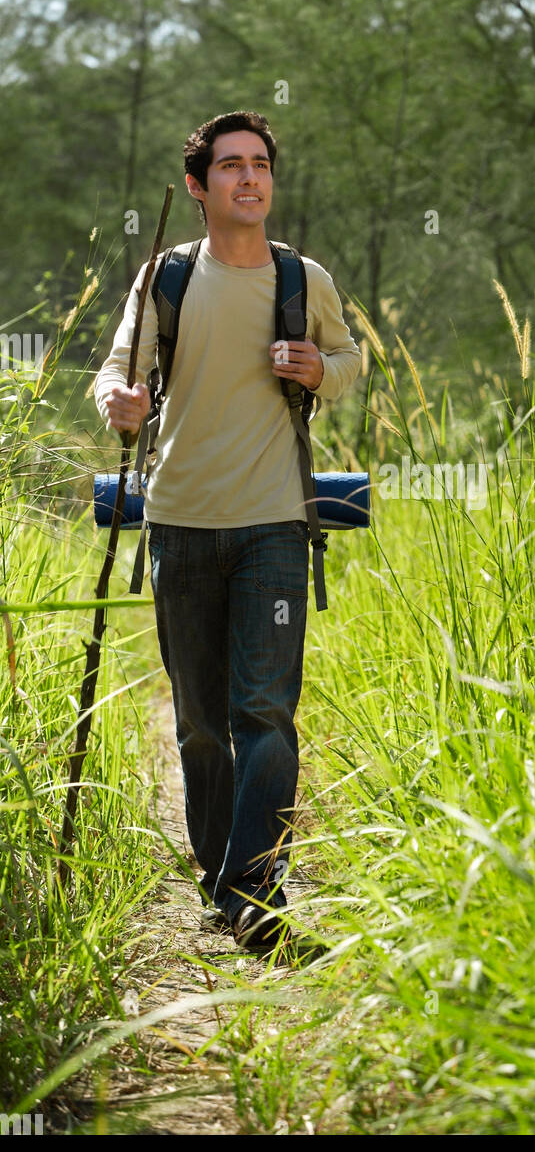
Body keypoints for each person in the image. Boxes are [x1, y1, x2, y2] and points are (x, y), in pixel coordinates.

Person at [94, 110, 362, 951]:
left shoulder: (301, 277)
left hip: (275, 525)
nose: (250, 179)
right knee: (202, 722)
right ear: (198, 186)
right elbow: (115, 372)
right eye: (232, 166)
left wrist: (324, 369)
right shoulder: (165, 279)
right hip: (180, 523)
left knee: (265, 712)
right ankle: (221, 882)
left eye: (261, 165)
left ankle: (257, 888)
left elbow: (349, 360)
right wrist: (121, 406)